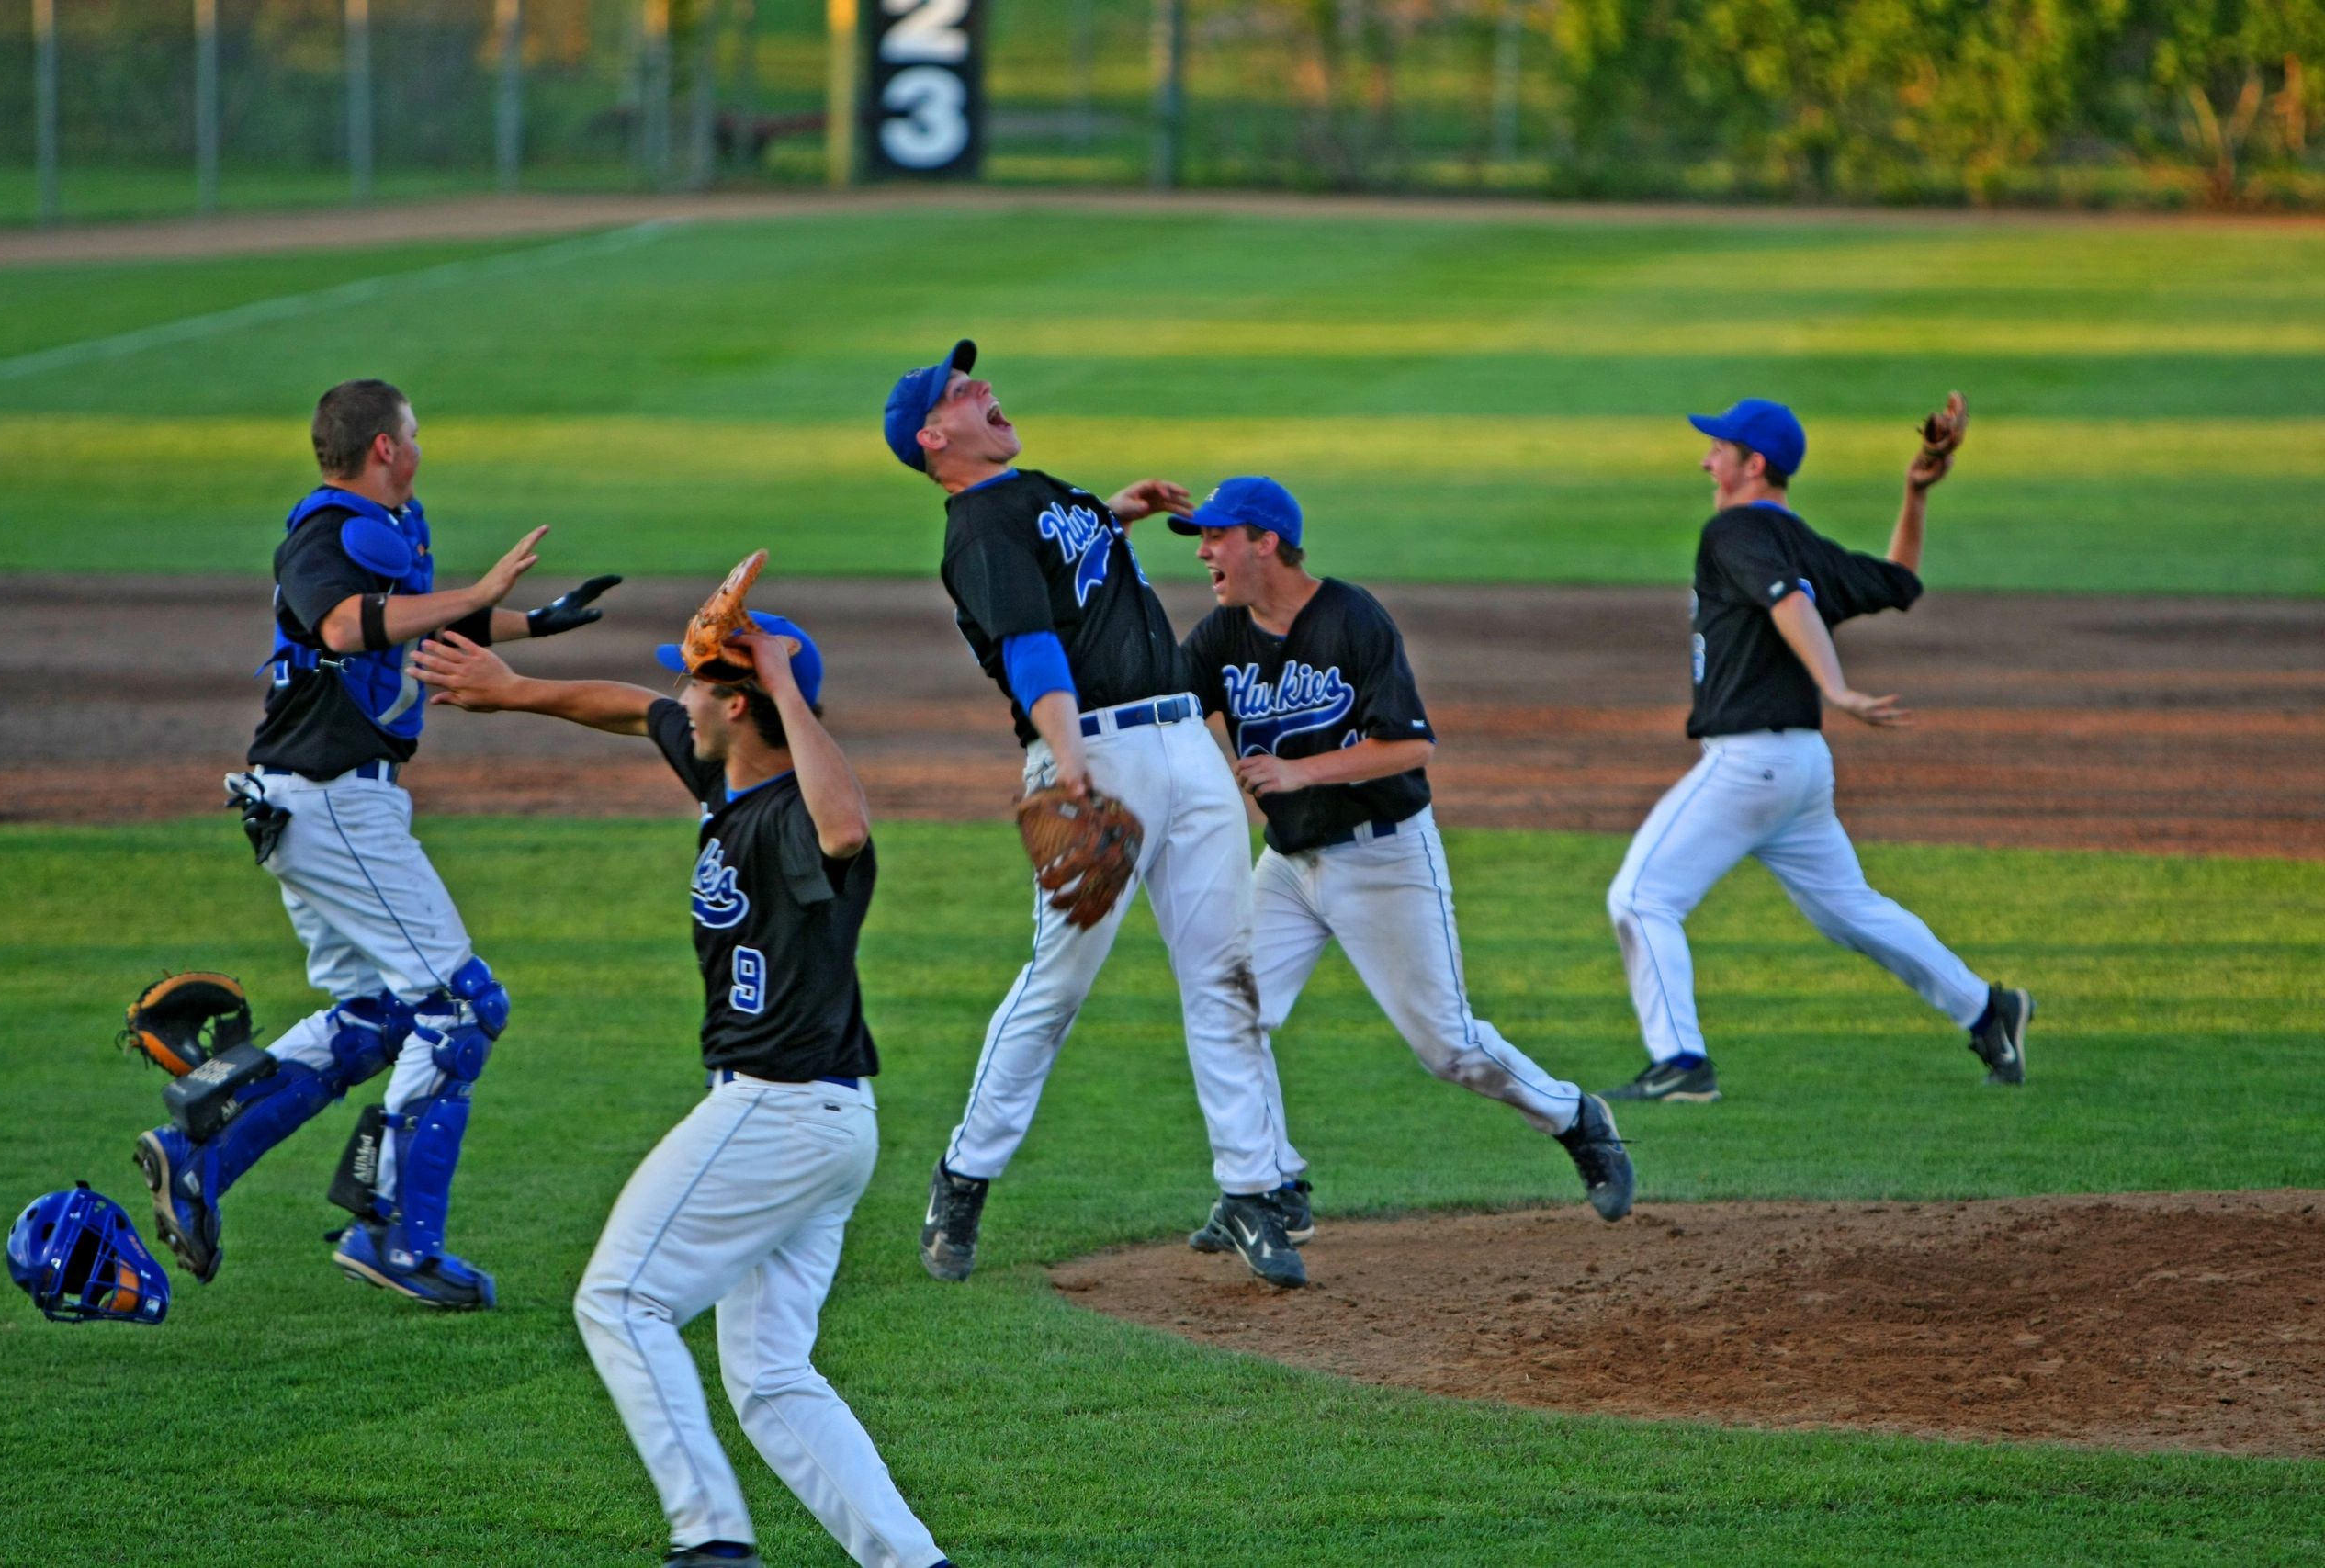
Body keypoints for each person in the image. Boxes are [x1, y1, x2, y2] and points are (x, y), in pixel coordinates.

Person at [406, 579, 954, 1568]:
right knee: (771, 1376)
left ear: (740, 703)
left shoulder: (797, 813)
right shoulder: (724, 776)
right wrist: (513, 687)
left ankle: (710, 1540)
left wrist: (787, 688)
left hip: (778, 1109)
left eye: (699, 686)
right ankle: (912, 1562)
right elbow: (631, 708)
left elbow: (846, 832)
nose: (681, 701)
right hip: (824, 1121)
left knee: (618, 1301)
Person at [134, 378, 616, 1308]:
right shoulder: (326, 532)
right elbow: (345, 624)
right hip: (330, 804)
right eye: (415, 435)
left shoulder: (392, 526)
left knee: (377, 1018)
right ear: (384, 448)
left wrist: (534, 622)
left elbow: (424, 624)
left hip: (322, 805)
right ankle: (393, 1237)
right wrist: (478, 591)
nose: (422, 448)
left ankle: (196, 1157)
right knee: (461, 1011)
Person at [884, 339, 1307, 1290]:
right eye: (963, 391)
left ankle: (1250, 1188)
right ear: (932, 435)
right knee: (1056, 984)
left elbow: (1069, 569)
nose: (986, 390)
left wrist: (1112, 511)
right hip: (1096, 752)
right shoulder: (977, 531)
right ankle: (965, 1175)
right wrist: (1067, 765)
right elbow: (1033, 648)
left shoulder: (1032, 493)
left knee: (1224, 975)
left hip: (1186, 752)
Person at [1171, 477, 1634, 1233]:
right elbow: (1168, 714)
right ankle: (1269, 1186)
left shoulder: (1352, 618)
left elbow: (1412, 743)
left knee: (1449, 1048)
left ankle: (1576, 1117)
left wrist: (1297, 771)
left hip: (1384, 859)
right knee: (1230, 1005)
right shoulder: (1221, 634)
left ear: (1265, 542)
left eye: (1216, 536)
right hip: (1288, 866)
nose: (1203, 551)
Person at [1600, 396, 2032, 1103]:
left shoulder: (1734, 532)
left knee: (1641, 897)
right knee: (1850, 910)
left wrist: (1837, 687)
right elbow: (1899, 582)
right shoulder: (1803, 543)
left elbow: (1788, 602)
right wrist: (1913, 494)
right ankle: (1989, 1010)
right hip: (1799, 770)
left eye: (1719, 450)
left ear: (1754, 464)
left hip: (1751, 765)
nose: (1707, 460)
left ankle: (1681, 1062)